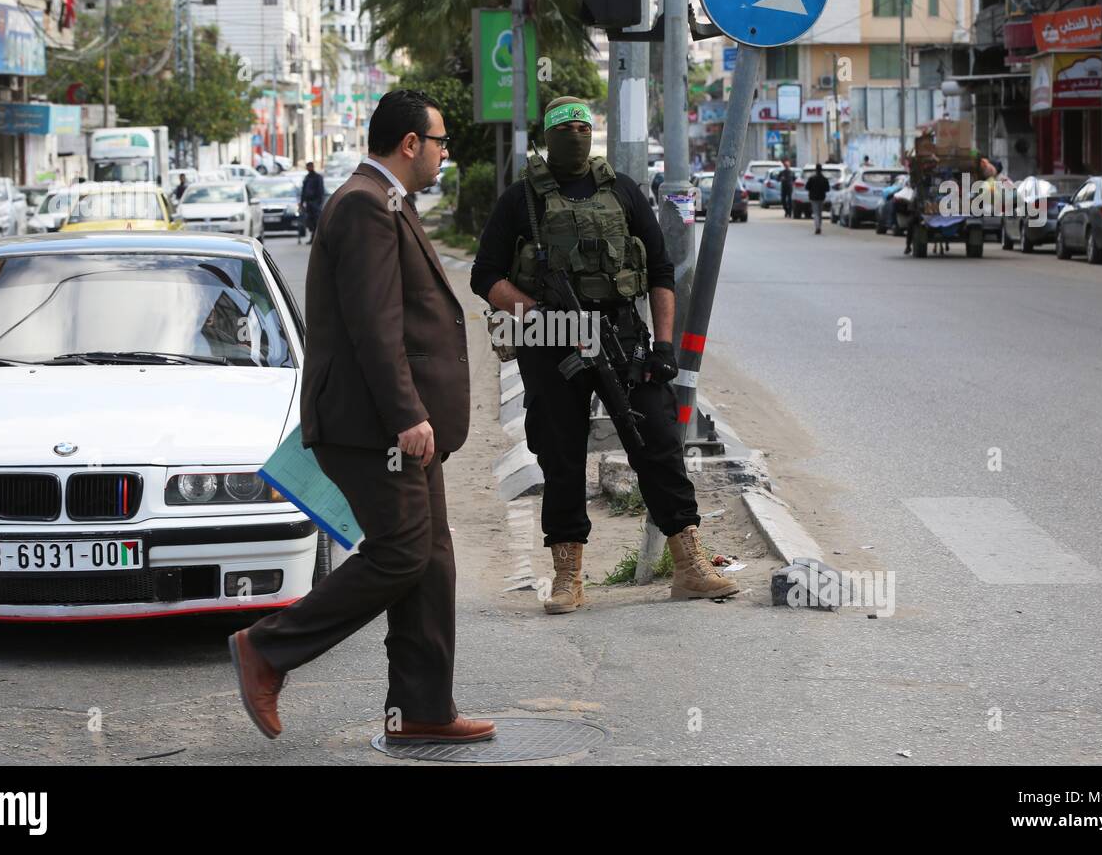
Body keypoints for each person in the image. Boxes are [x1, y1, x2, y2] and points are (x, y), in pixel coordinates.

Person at [229, 89, 496, 747]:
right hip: (370, 426)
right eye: (439, 143)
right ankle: (267, 648)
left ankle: (423, 709)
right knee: (402, 552)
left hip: (390, 423)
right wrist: (407, 414)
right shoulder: (365, 207)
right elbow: (375, 327)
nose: (443, 156)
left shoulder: (383, 203)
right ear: (410, 144)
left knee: (430, 560)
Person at [471, 96, 738, 615]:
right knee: (560, 452)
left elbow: (660, 270)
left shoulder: (623, 191)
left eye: (582, 126)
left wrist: (664, 346)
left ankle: (689, 565)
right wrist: (537, 312)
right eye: (564, 127)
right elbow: (486, 275)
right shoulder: (522, 198)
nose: (575, 133)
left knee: (656, 441)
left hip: (621, 337)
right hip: (551, 341)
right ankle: (567, 576)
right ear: (548, 138)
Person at [299, 160, 326, 244]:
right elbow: (303, 191)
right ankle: (312, 236)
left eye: (310, 166)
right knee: (309, 221)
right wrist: (302, 202)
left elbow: (320, 190)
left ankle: (316, 238)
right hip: (308, 202)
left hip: (315, 202)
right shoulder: (307, 177)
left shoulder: (318, 177)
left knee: (316, 221)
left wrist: (319, 203)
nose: (309, 168)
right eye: (307, 167)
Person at [806, 163, 830, 234]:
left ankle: (817, 227)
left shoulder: (812, 178)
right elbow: (827, 189)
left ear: (815, 169)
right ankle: (819, 226)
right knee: (819, 213)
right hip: (821, 197)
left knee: (816, 212)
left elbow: (807, 187)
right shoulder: (824, 179)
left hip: (813, 198)